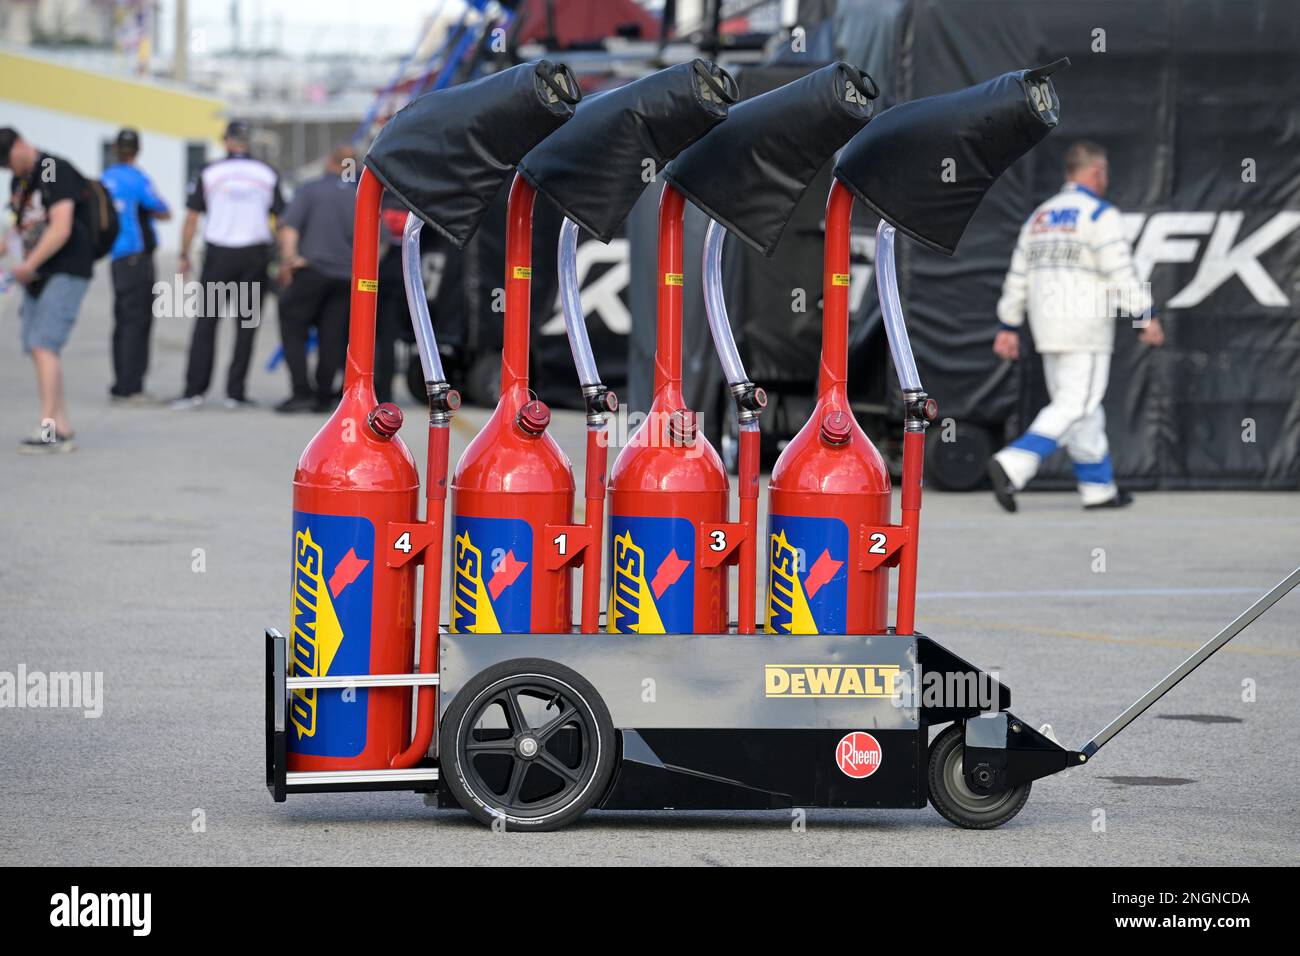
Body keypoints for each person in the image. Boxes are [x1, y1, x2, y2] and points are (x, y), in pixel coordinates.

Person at [988, 141, 1165, 512]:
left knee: (1083, 407)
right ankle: (1014, 462)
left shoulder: (1039, 216)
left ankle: (1098, 488)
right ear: (1096, 172)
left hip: (1046, 328)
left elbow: (1018, 275)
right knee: (1076, 403)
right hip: (1085, 327)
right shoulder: (1100, 215)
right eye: (1104, 174)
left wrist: (1008, 324)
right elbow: (1121, 272)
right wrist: (1144, 316)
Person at [172, 120, 284, 410]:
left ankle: (193, 391)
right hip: (254, 255)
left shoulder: (209, 171)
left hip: (219, 254)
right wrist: (284, 258)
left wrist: (184, 254)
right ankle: (235, 393)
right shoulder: (266, 173)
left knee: (207, 324)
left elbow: (191, 218)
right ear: (248, 142)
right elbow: (282, 221)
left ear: (226, 140)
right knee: (246, 325)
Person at [1, 127, 94, 453]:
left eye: (7, 160)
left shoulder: (52, 167)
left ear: (20, 145)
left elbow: (61, 225)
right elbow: (19, 229)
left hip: (65, 268)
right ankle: (61, 425)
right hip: (37, 274)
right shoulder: (19, 182)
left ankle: (50, 429)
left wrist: (30, 264)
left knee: (43, 343)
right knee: (38, 347)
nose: (8, 168)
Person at [274, 145, 357, 412]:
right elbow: (379, 242)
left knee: (291, 321)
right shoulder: (361, 194)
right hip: (346, 277)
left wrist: (289, 261)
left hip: (313, 271)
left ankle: (301, 391)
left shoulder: (311, 190)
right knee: (332, 336)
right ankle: (323, 396)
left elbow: (289, 228)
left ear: (329, 162)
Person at [101, 128, 170, 403]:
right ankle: (132, 387)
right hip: (137, 257)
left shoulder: (106, 178)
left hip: (117, 258)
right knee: (138, 322)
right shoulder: (137, 178)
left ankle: (120, 383)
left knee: (121, 320)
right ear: (137, 150)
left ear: (115, 149)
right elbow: (162, 209)